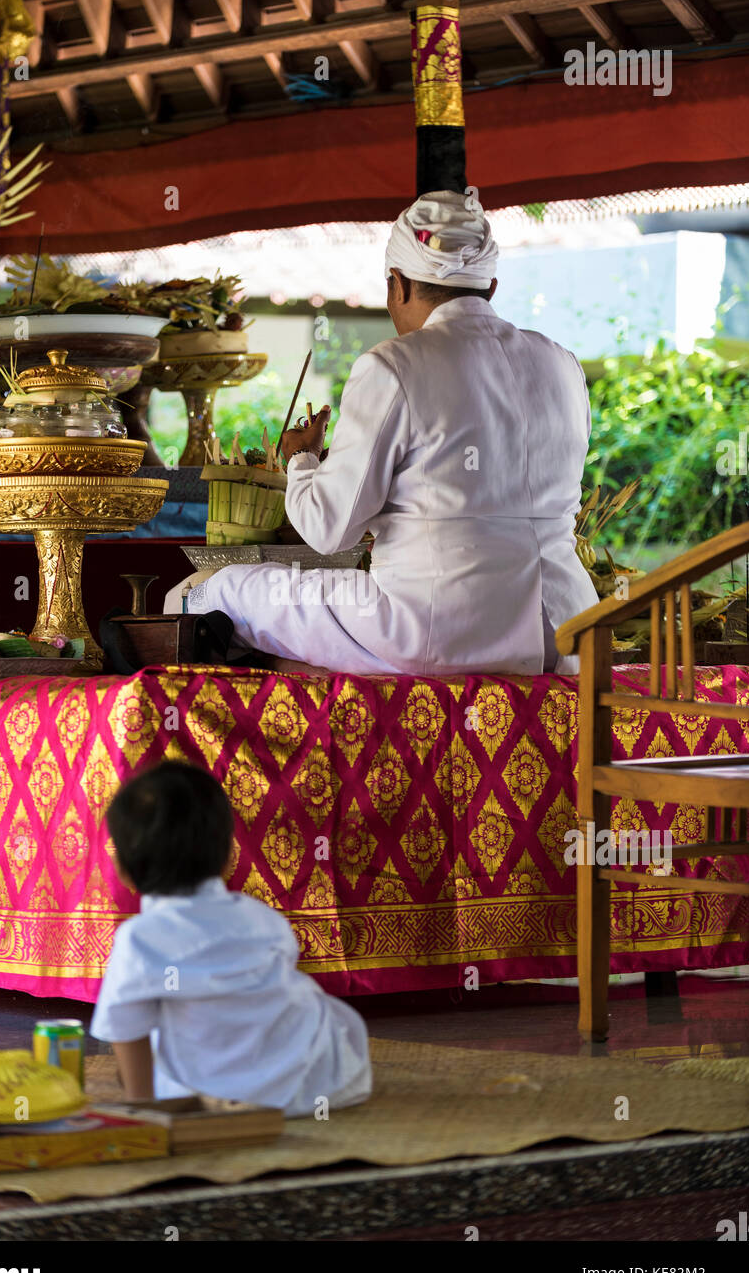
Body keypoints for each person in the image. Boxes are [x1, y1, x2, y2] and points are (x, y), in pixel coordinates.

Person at [165, 186, 597, 677]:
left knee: (211, 593)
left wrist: (303, 461)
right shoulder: (562, 363)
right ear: (491, 288)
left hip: (437, 630)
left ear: (397, 285)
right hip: (567, 633)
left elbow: (330, 530)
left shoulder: (393, 365)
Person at [90, 761, 371, 1116]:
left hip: (210, 1095)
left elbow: (125, 1029)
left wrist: (142, 1106)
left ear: (124, 871)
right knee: (321, 1011)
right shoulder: (263, 919)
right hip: (312, 1087)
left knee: (160, 1042)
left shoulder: (138, 939)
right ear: (227, 859)